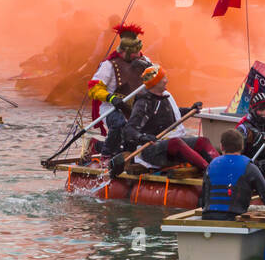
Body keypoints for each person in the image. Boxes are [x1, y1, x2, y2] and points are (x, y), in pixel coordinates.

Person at [119, 65, 217, 172]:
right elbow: (129, 130)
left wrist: (190, 110)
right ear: (155, 83)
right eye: (163, 78)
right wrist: (142, 137)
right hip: (150, 150)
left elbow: (173, 114)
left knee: (203, 141)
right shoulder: (143, 103)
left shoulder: (166, 96)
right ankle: (210, 171)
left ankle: (220, 167)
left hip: (171, 143)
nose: (167, 80)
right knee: (176, 142)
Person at [86, 23, 153, 156]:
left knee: (137, 138)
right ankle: (106, 154)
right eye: (134, 53)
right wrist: (111, 98)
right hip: (111, 108)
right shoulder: (109, 65)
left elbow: (158, 81)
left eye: (138, 51)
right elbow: (93, 89)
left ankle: (98, 146)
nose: (137, 55)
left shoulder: (145, 61)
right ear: (123, 52)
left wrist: (148, 67)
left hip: (135, 108)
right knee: (119, 124)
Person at [200, 129, 265, 221]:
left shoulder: (211, 165)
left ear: (221, 147)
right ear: (242, 146)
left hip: (208, 216)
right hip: (234, 218)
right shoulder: (249, 167)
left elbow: (203, 202)